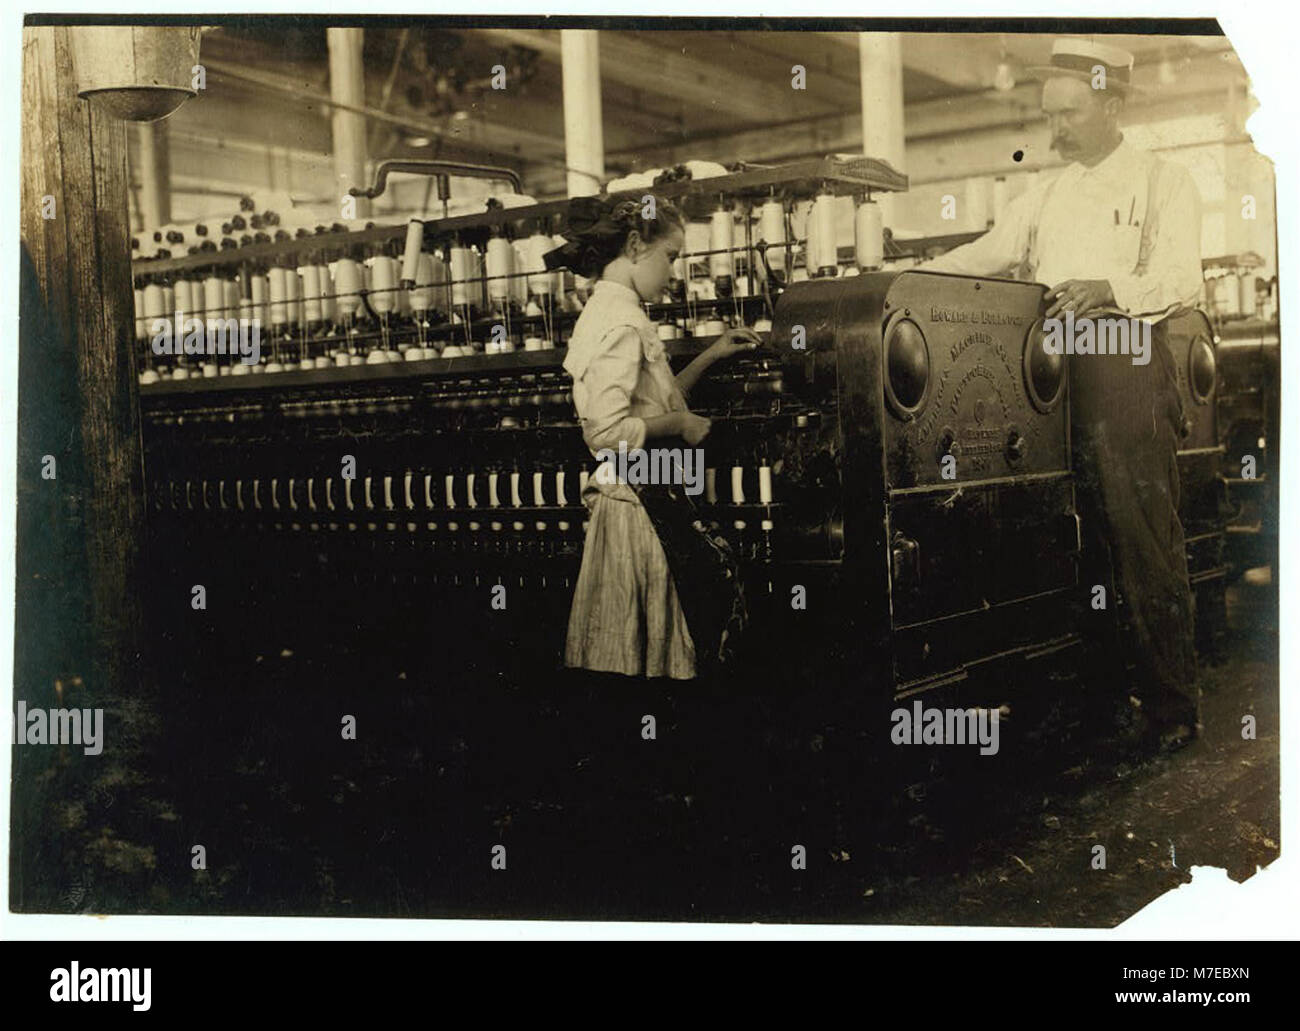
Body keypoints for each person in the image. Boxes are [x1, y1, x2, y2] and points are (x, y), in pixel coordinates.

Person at [924, 37, 1203, 752]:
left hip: (1127, 367)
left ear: (1111, 101)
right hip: (1050, 383)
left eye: (1068, 114)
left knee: (1141, 537)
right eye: (1047, 116)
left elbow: (1181, 278)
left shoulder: (1164, 181)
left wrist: (1111, 290)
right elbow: (983, 255)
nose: (1053, 131)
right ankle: (1101, 699)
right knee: (1076, 543)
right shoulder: (1043, 194)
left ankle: (1173, 706)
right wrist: (909, 275)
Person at [547, 193, 760, 681]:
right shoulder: (620, 321)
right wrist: (680, 427)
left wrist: (710, 355)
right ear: (636, 244)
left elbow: (649, 404)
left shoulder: (613, 311)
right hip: (638, 511)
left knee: (639, 660)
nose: (674, 272)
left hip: (643, 501)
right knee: (648, 667)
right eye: (671, 257)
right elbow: (606, 432)